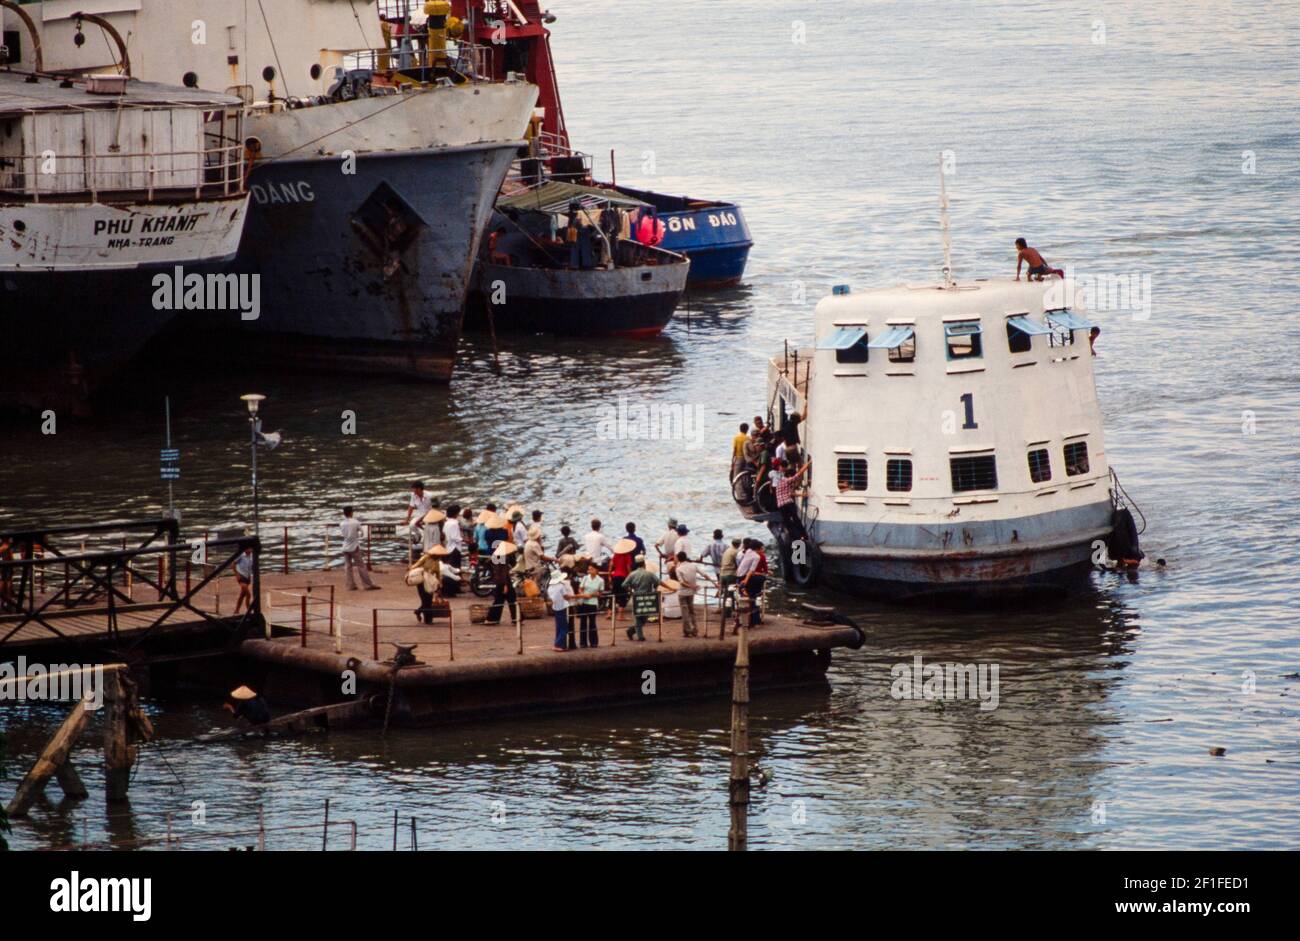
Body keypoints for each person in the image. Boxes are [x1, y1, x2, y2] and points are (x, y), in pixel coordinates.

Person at [622, 555, 663, 642]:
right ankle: (640, 636)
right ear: (644, 564)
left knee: (639, 616)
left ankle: (631, 630)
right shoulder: (649, 574)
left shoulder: (632, 574)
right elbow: (658, 582)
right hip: (648, 598)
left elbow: (624, 585)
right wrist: (666, 587)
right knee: (644, 616)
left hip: (637, 597)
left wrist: (631, 590)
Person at [675, 551, 716, 638]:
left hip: (683, 592)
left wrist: (691, 586)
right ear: (686, 557)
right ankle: (695, 630)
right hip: (691, 592)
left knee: (685, 612)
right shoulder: (693, 565)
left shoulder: (678, 569)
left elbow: (681, 582)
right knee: (692, 611)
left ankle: (687, 631)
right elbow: (704, 574)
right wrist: (714, 583)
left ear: (678, 559)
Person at [340, 506, 380, 591]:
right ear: (351, 512)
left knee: (348, 567)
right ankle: (367, 585)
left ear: (344, 513)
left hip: (345, 546)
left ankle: (350, 585)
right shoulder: (356, 522)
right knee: (361, 566)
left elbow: (343, 534)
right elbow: (362, 533)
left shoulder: (342, 523)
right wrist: (357, 535)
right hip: (354, 546)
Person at [775, 457, 812, 541]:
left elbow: (790, 493)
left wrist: (802, 494)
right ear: (789, 476)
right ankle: (804, 536)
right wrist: (809, 463)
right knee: (796, 520)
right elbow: (799, 473)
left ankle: (796, 538)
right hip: (789, 503)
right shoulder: (787, 481)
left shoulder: (779, 482)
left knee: (788, 523)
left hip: (781, 505)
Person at [407, 547, 443, 624]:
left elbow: (438, 573)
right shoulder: (426, 557)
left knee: (428, 600)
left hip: (430, 582)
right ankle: (428, 619)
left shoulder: (436, 561)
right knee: (425, 600)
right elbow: (416, 565)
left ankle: (419, 612)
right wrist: (410, 570)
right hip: (422, 581)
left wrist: (439, 584)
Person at [485, 542, 518, 624]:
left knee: (499, 600)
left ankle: (492, 619)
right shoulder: (504, 557)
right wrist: (506, 585)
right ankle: (516, 618)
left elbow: (489, 564)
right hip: (505, 581)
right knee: (512, 600)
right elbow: (504, 572)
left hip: (499, 581)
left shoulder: (496, 556)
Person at [736, 539, 766, 627]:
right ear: (758, 548)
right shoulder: (757, 557)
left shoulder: (748, 551)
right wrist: (745, 581)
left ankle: (743, 620)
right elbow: (751, 571)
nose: (762, 550)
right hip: (744, 577)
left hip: (738, 575)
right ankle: (754, 619)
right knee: (759, 583)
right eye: (761, 548)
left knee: (743, 599)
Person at [576, 560, 604, 648]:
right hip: (584, 601)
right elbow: (580, 588)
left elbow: (600, 593)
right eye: (589, 570)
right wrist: (582, 594)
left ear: (596, 570)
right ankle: (583, 642)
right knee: (583, 622)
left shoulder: (600, 580)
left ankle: (594, 642)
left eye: (591, 569)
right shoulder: (585, 578)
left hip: (593, 602)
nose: (590, 571)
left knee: (592, 623)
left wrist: (591, 595)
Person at [548, 567, 576, 652]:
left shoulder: (550, 587)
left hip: (555, 607)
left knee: (559, 627)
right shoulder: (561, 586)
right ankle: (558, 644)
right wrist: (575, 597)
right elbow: (566, 596)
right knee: (564, 628)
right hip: (562, 607)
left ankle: (560, 644)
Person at [402, 481, 433, 554]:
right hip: (420, 515)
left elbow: (434, 509)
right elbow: (411, 507)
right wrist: (407, 519)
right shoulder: (413, 495)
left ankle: (424, 543)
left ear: (419, 489)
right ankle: (418, 536)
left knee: (427, 532)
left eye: (415, 489)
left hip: (430, 515)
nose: (413, 491)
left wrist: (423, 519)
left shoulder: (430, 496)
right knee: (412, 525)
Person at [609, 537, 637, 609]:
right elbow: (628, 567)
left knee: (613, 593)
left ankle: (609, 612)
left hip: (615, 576)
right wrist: (631, 575)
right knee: (623, 594)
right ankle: (620, 614)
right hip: (623, 577)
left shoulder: (616, 555)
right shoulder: (627, 556)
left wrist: (609, 574)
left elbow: (611, 564)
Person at [233, 545, 254, 613]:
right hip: (241, 576)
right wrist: (236, 574)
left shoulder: (252, 556)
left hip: (247, 576)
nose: (250, 550)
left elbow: (250, 567)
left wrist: (250, 576)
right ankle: (248, 609)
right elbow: (233, 564)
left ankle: (237, 610)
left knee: (243, 594)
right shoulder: (241, 555)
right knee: (248, 594)